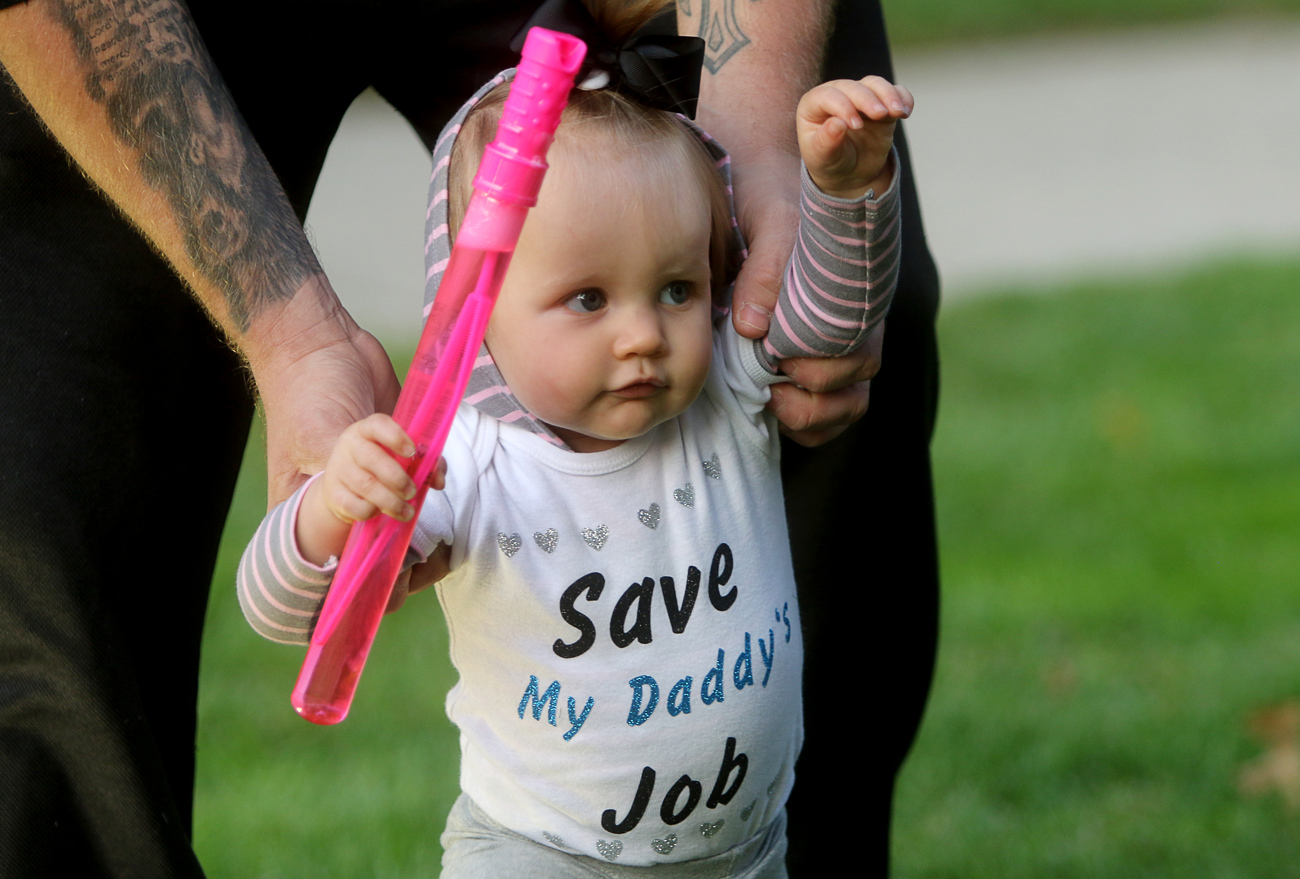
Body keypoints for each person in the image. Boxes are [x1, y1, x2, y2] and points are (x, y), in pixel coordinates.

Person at [0, 0, 936, 875]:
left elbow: (819, 323)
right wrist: (331, 506)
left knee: (852, 413)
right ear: (479, 312)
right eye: (586, 298)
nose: (643, 333)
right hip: (535, 855)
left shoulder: (716, 394)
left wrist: (837, 188)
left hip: (743, 846)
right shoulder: (467, 465)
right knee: (49, 510)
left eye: (678, 287)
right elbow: (294, 608)